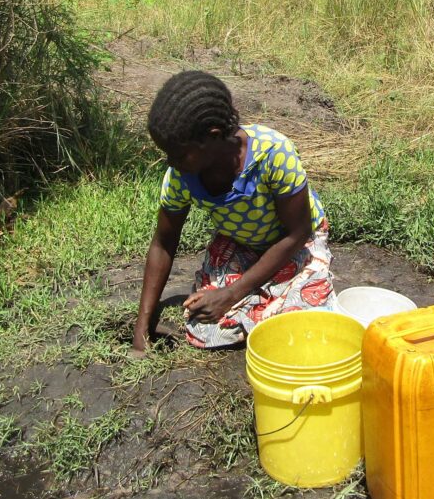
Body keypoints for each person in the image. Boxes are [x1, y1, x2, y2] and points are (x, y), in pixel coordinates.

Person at [131, 71, 334, 355]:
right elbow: (164, 243)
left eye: (178, 154)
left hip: (295, 243)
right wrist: (143, 327)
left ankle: (277, 298)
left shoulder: (273, 153)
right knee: (203, 327)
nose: (171, 163)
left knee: (301, 324)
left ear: (213, 137)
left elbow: (298, 233)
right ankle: (263, 300)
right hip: (241, 242)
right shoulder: (181, 175)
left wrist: (230, 295)